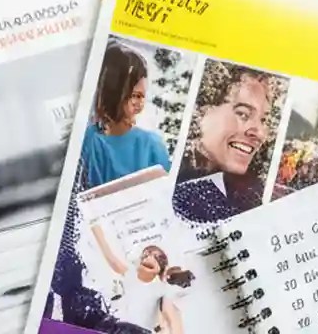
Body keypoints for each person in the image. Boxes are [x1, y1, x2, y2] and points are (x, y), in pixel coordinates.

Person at [174, 66, 276, 223]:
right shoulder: (170, 190)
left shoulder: (251, 195)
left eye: (263, 120)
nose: (260, 134)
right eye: (243, 114)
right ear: (201, 111)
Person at [81, 45, 172, 189]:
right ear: (113, 92)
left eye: (143, 96)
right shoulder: (89, 141)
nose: (140, 104)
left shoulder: (152, 144)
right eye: (135, 95)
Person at [91, 224, 191, 334]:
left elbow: (172, 318)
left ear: (159, 271)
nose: (149, 257)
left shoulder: (161, 289)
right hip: (120, 326)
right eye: (146, 255)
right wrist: (94, 226)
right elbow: (111, 258)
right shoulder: (131, 274)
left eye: (156, 257)